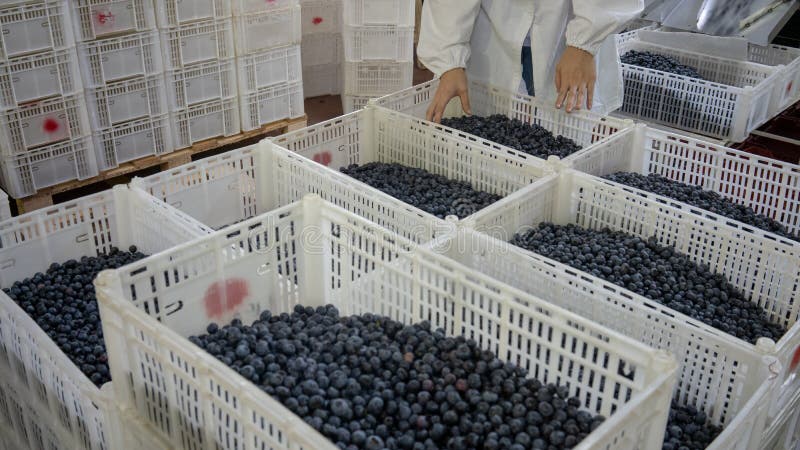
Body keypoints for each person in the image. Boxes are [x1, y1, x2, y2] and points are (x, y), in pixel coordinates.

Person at [417, 0, 644, 122]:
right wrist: (449, 59)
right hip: (492, 26)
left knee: (562, 142)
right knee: (489, 135)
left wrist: (584, 43)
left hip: (568, 25)